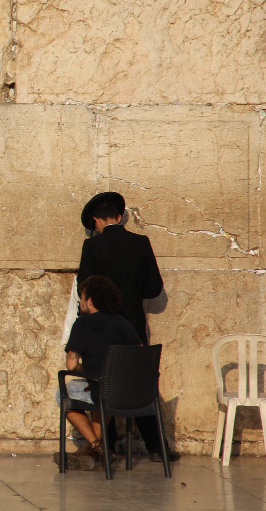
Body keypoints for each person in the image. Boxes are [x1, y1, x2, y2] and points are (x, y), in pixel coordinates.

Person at [76, 191, 180, 462]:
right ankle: (157, 447)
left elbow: (84, 288)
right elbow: (154, 288)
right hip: (132, 326)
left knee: (102, 385)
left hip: (100, 329)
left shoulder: (93, 247)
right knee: (138, 385)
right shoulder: (141, 243)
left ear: (97, 220)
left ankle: (106, 446)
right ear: (120, 217)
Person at [54, 275, 141, 470]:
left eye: (82, 298)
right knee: (104, 389)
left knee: (63, 393)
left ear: (90, 300)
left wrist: (88, 369)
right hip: (130, 392)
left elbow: (71, 365)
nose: (81, 303)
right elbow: (139, 353)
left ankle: (97, 446)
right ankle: (89, 452)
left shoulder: (83, 324)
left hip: (101, 389)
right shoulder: (124, 323)